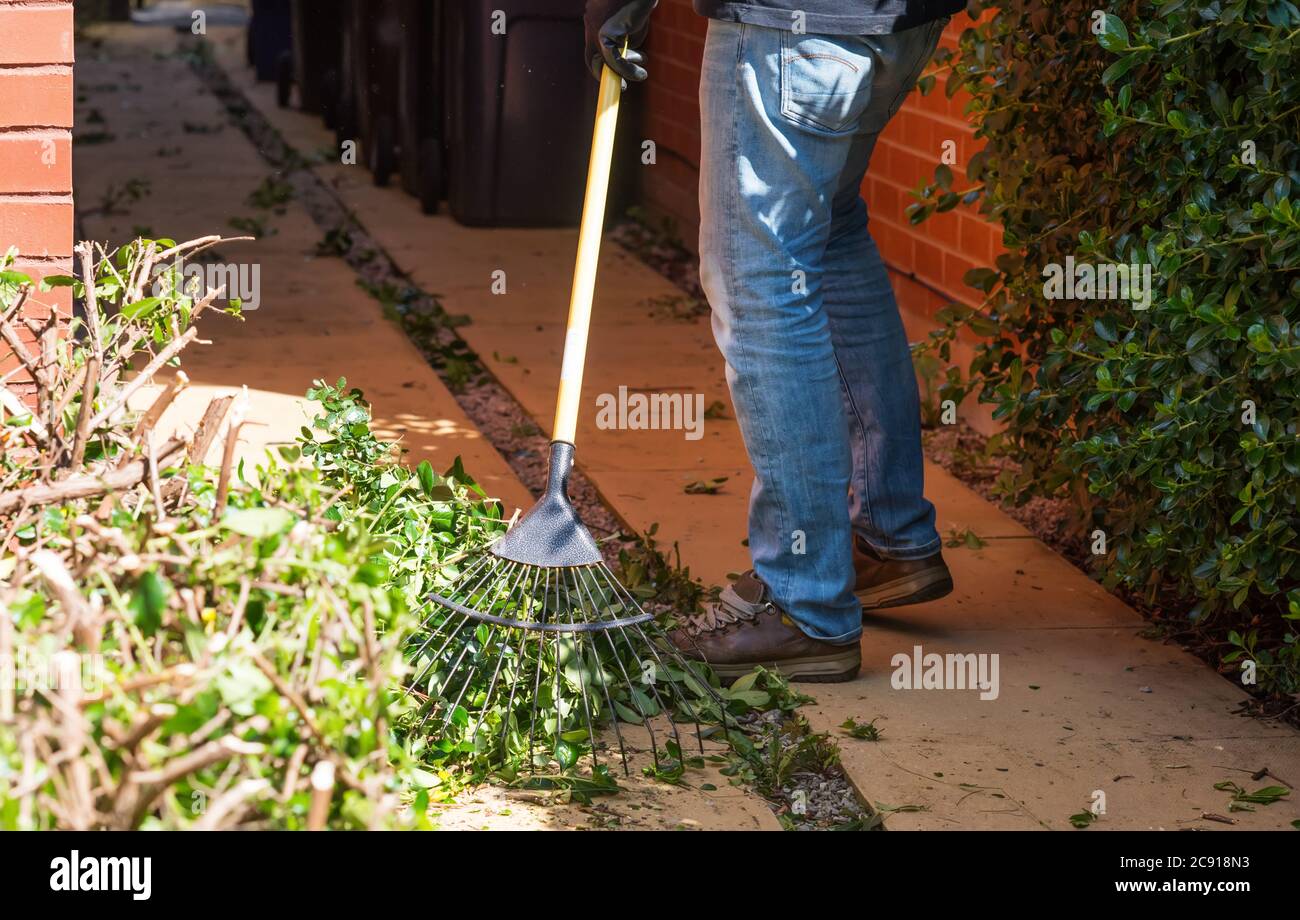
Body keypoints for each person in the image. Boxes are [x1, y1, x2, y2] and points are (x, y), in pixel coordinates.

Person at [584, 0, 963, 682]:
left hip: (791, 25)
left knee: (757, 278)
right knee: (828, 235)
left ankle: (802, 602)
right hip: (896, 22)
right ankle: (888, 535)